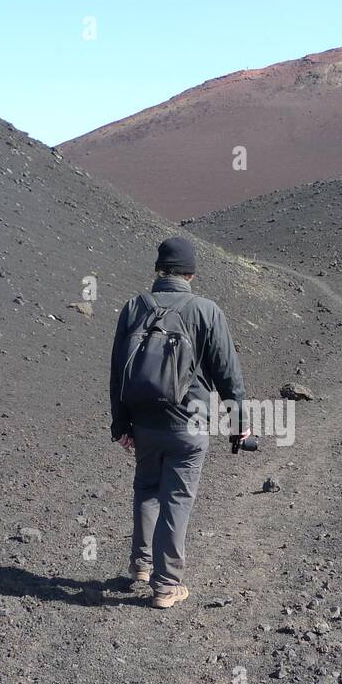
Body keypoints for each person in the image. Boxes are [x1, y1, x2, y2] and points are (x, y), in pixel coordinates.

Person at [109, 237, 248, 609]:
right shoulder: (205, 310)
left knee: (146, 488)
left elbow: (116, 370)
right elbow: (227, 376)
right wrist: (239, 425)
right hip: (190, 423)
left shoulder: (134, 307)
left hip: (143, 422)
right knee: (177, 498)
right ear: (192, 273)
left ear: (159, 270)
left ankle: (140, 565)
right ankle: (166, 585)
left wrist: (121, 424)